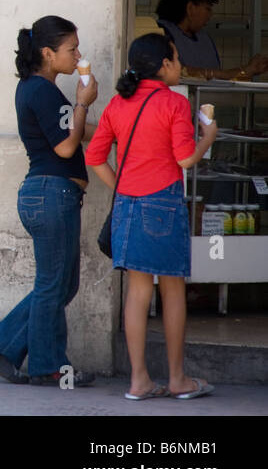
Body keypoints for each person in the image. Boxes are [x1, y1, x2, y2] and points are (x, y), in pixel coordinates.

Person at [86, 34, 217, 400]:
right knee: (173, 289)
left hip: (128, 204)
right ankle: (178, 379)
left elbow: (95, 158)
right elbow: (186, 159)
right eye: (175, 59)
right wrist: (209, 136)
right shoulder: (174, 103)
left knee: (138, 292)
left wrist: (124, 187)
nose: (179, 65)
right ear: (163, 65)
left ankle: (138, 381)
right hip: (164, 204)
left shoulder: (117, 104)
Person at [0, 16, 99, 386]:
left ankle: (3, 344)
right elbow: (66, 146)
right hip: (51, 194)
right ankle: (48, 366)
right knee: (53, 285)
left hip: (49, 195)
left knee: (60, 285)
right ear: (48, 53)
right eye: (71, 49)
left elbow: (75, 132)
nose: (79, 55)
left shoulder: (40, 89)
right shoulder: (42, 90)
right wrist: (84, 101)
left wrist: (118, 130)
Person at [156, 0, 268, 80]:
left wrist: (247, 71)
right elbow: (175, 71)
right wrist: (240, 71)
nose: (210, 15)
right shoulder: (160, 33)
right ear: (190, 8)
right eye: (208, 8)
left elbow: (219, 80)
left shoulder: (202, 37)